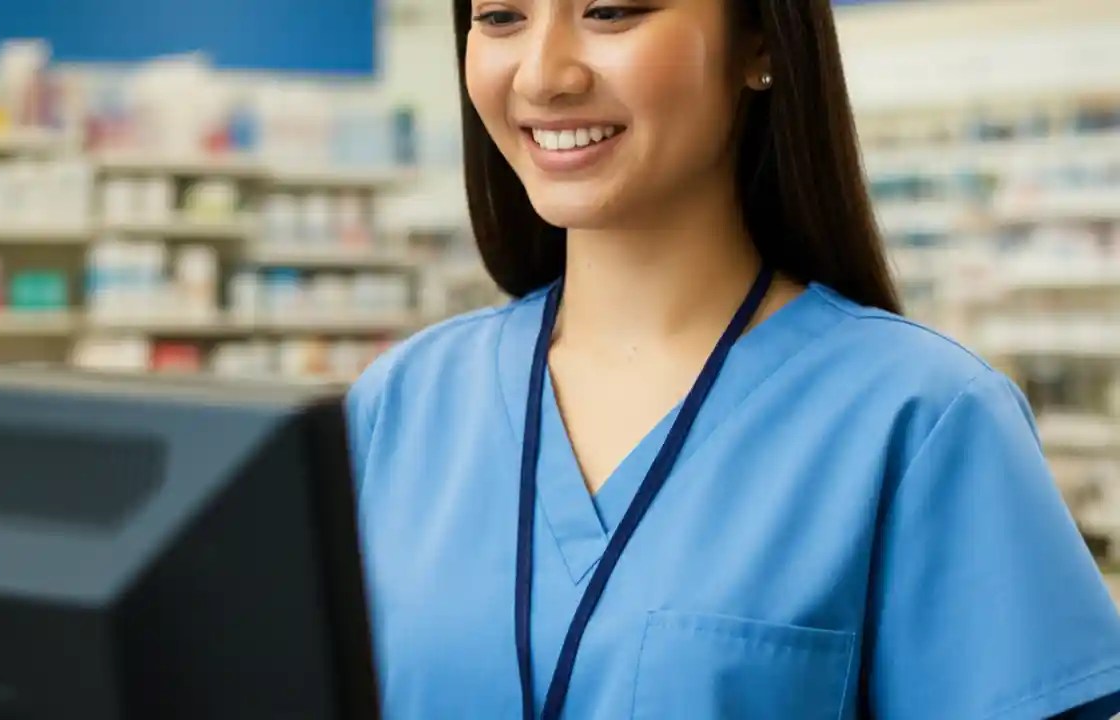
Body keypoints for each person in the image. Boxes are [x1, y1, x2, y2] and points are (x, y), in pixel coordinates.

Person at [345, 0, 1120, 717]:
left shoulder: (921, 418)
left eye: (611, 12)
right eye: (503, 16)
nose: (546, 74)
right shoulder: (398, 408)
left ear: (759, 42)